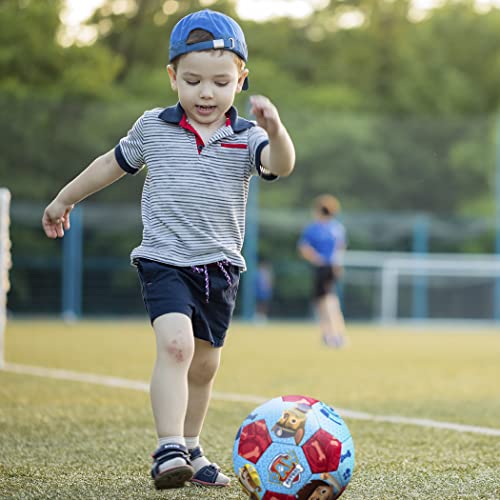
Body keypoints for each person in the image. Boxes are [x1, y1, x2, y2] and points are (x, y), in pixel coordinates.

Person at [42, 9, 295, 490]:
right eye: (193, 80)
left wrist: (277, 130)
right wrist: (63, 199)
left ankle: (194, 449)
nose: (206, 92)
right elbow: (109, 165)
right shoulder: (154, 127)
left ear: (240, 80)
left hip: (220, 269)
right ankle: (168, 448)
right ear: (172, 77)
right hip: (165, 261)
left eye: (220, 82)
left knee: (204, 364)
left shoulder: (247, 137)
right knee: (176, 347)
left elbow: (280, 166)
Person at [298, 194, 347, 348]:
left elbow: (304, 248)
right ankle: (338, 333)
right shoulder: (337, 228)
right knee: (331, 299)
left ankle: (331, 335)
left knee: (324, 302)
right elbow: (340, 248)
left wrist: (316, 258)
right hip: (333, 267)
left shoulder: (314, 228)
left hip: (321, 268)